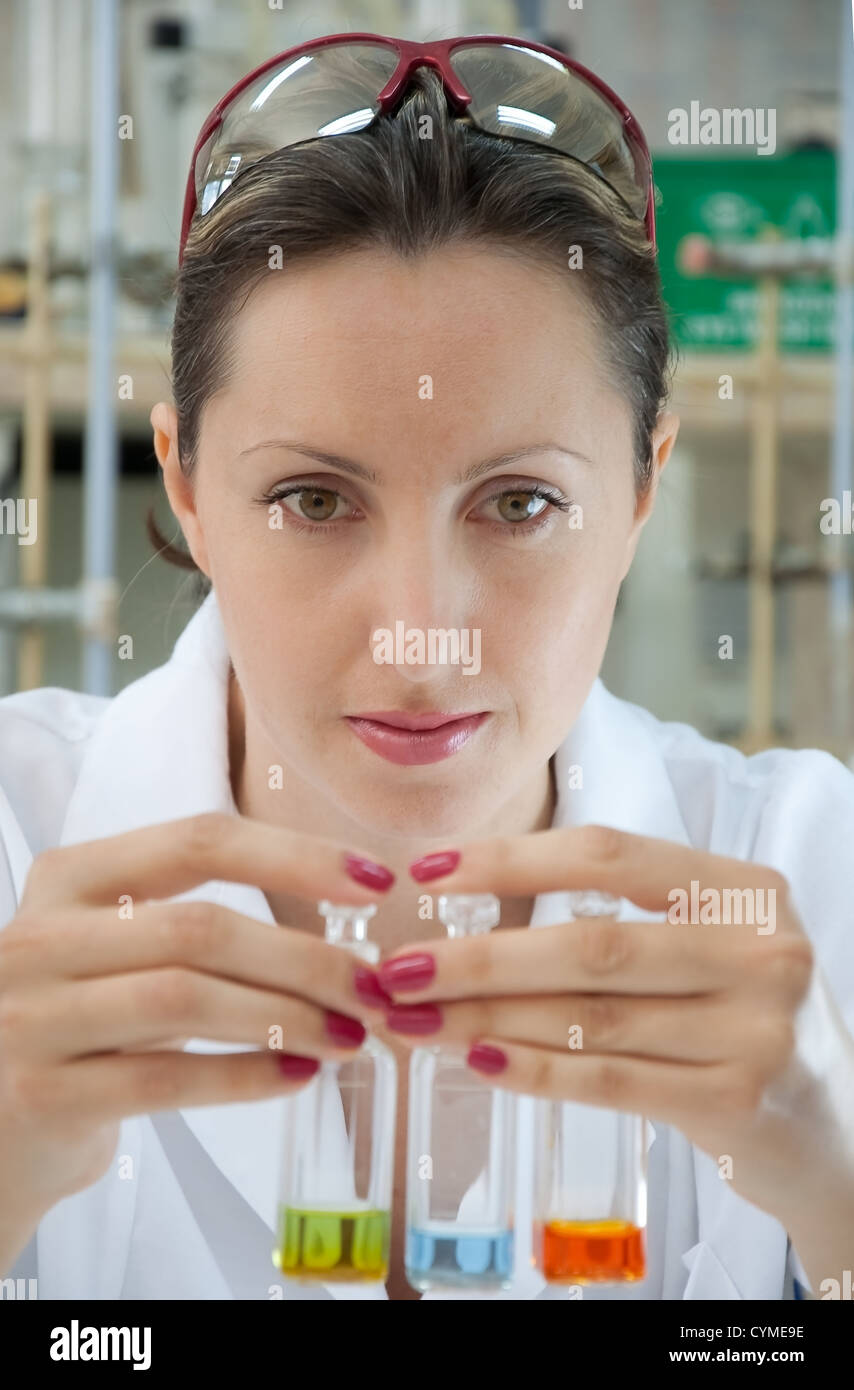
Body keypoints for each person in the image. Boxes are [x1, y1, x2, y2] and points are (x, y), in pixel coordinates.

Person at [1, 33, 852, 1303]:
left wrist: (834, 1199)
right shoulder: (15, 843)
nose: (420, 632)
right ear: (184, 482)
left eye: (516, 505)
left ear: (639, 492)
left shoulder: (807, 879)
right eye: (311, 498)